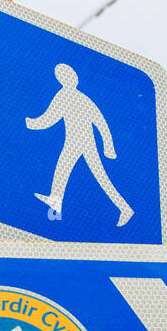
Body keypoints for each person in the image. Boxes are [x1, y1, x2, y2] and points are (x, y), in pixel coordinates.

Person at [26, 63, 133, 227]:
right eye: (62, 76)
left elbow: (100, 122)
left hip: (83, 141)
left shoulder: (74, 97)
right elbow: (50, 117)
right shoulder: (66, 96)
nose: (65, 78)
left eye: (67, 75)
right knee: (64, 168)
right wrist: (32, 123)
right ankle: (55, 199)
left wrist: (108, 146)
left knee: (99, 176)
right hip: (74, 141)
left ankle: (125, 208)